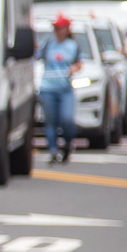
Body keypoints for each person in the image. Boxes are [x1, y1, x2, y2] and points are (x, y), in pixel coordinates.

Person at [35, 15, 80, 164]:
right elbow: (37, 56)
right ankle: (53, 151)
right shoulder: (48, 44)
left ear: (67, 29)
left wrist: (74, 69)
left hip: (65, 88)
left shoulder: (72, 45)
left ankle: (67, 144)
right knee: (51, 122)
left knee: (67, 120)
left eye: (60, 28)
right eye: (56, 28)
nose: (58, 31)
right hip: (48, 88)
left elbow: (79, 63)